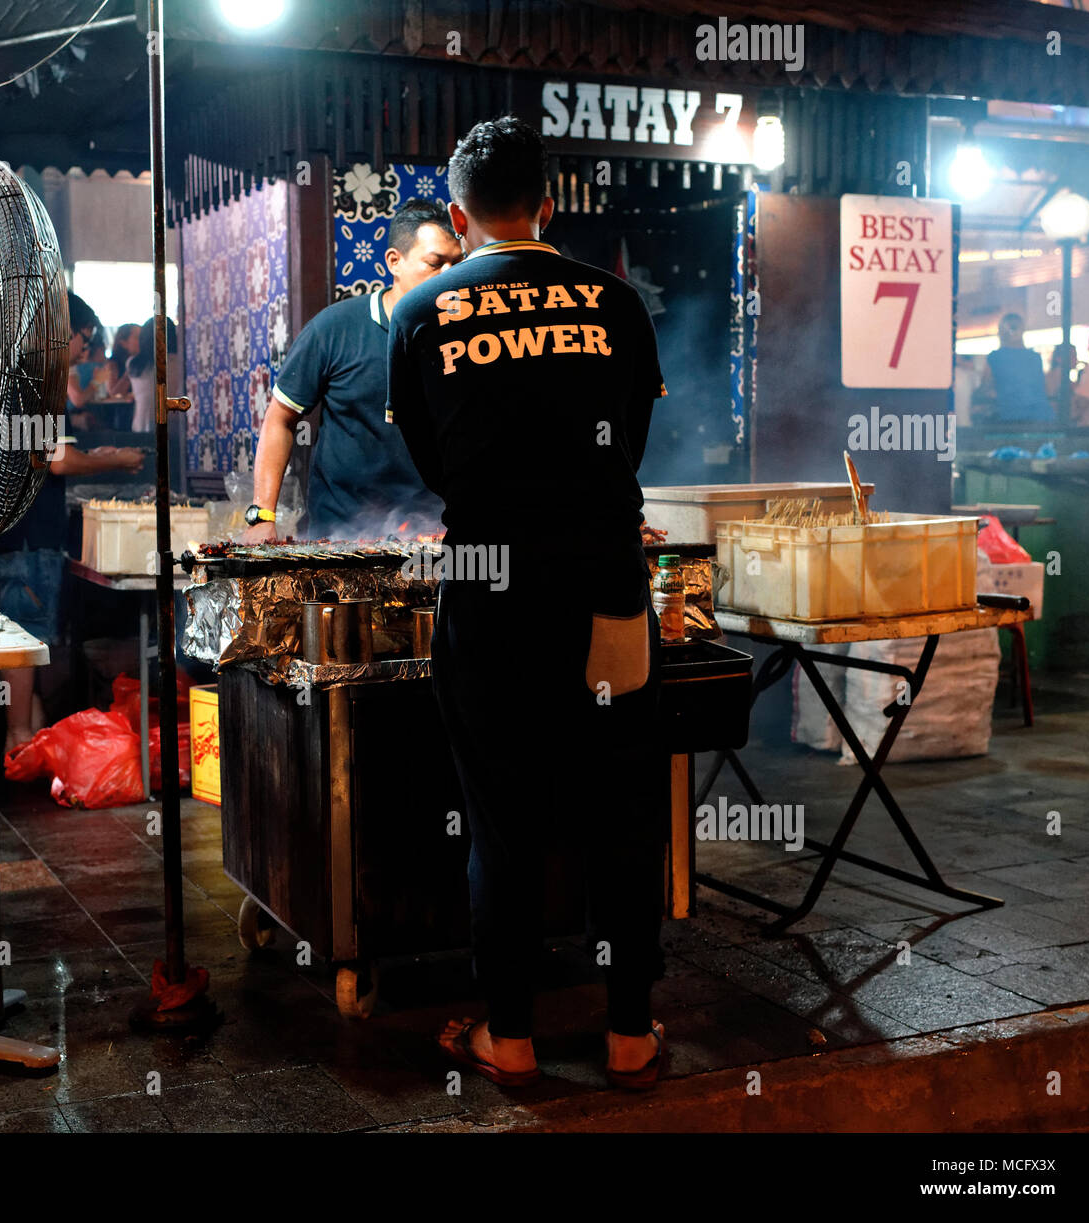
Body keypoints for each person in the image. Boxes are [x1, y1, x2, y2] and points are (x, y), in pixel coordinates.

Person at [387, 117, 667, 1090]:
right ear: (548, 205)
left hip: (489, 589)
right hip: (606, 590)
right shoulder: (615, 302)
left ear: (459, 216)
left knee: (499, 816)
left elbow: (428, 460)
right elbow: (627, 443)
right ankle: (630, 1030)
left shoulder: (422, 310)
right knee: (624, 809)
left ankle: (508, 1034)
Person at [0, 293, 145, 752]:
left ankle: (27, 734)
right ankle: (18, 737)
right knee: (21, 640)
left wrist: (93, 456)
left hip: (2, 529)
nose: (83, 354)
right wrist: (112, 463)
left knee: (16, 638)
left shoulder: (5, 374)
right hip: (28, 535)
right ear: (60, 331)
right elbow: (56, 461)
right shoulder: (36, 382)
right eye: (83, 341)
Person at [242, 199, 463, 542]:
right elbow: (280, 418)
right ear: (395, 262)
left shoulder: (465, 336)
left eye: (457, 263)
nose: (450, 276)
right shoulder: (334, 328)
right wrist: (261, 516)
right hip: (340, 535)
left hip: (433, 535)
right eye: (436, 263)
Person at [978, 313, 1054, 422]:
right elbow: (1045, 388)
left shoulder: (995, 357)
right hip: (1043, 417)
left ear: (1001, 332)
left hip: (1012, 418)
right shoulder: (1035, 357)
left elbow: (985, 386)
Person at [129, 316, 179, 433]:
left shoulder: (132, 364)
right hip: (172, 427)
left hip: (141, 426)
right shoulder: (180, 363)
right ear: (172, 336)